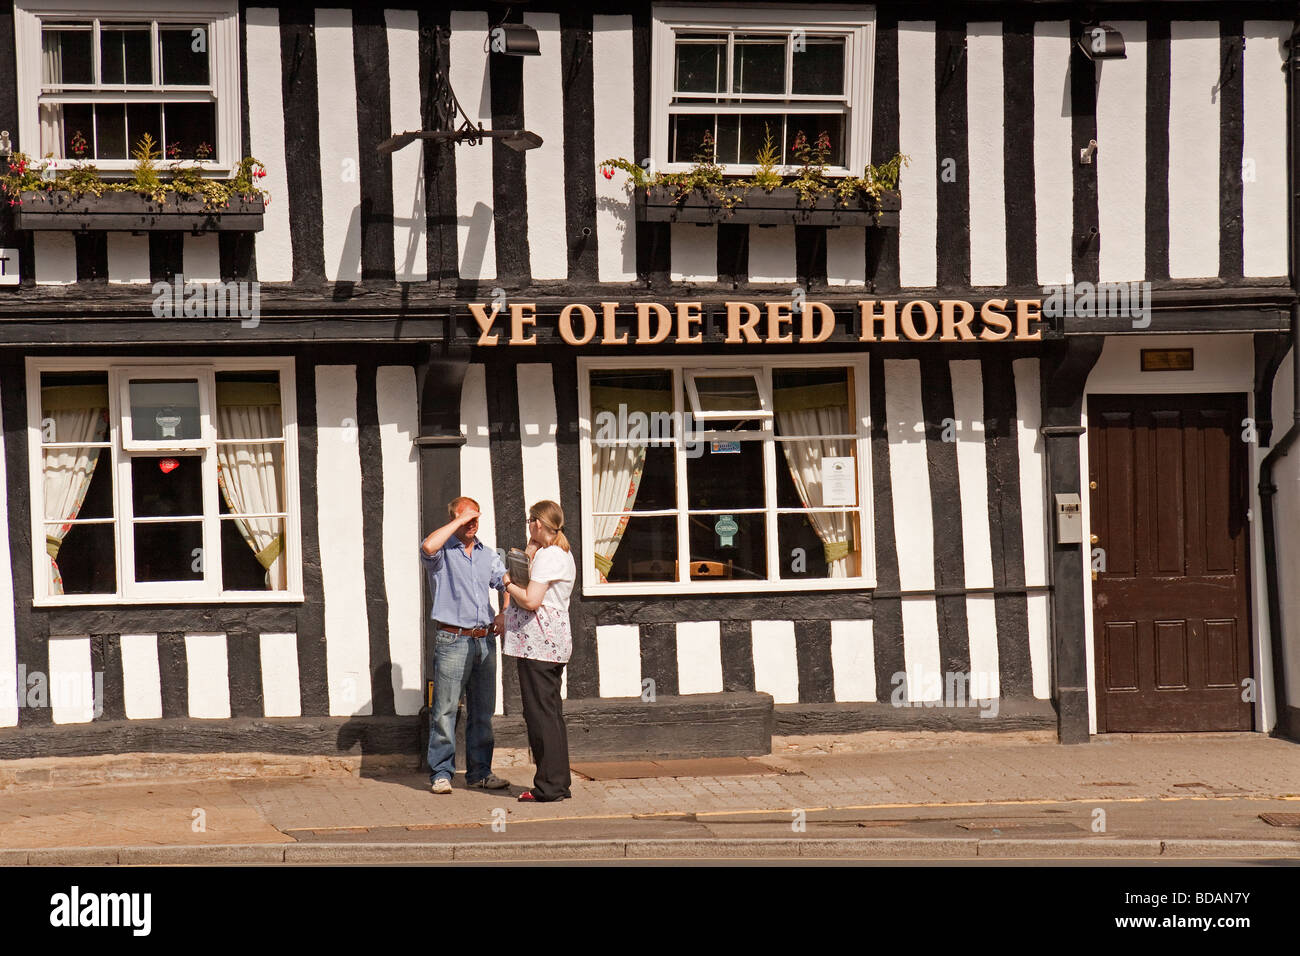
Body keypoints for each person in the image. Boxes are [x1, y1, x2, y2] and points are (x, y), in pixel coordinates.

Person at [420, 496, 510, 794]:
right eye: (465, 518)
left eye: (475, 518)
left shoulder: (487, 553)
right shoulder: (442, 551)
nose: (472, 524)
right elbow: (427, 547)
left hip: (484, 639)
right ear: (454, 517)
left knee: (482, 711)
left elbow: (505, 581)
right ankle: (441, 773)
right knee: (445, 710)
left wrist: (504, 612)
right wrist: (458, 520)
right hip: (452, 638)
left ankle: (479, 772)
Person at [502, 500, 577, 802]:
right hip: (546, 643)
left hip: (540, 643)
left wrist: (507, 582)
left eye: (530, 521)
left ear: (538, 523)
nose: (528, 526)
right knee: (549, 714)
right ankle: (557, 782)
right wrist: (528, 552)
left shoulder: (551, 556)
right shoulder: (556, 553)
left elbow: (531, 599)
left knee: (541, 716)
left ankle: (549, 787)